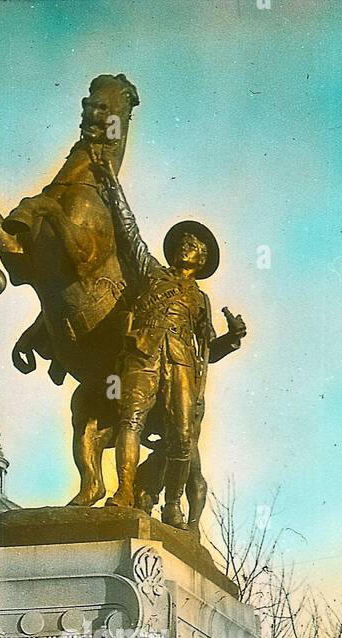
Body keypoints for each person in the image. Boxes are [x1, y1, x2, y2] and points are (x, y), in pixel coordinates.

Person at [91, 148, 246, 525]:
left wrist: (232, 339)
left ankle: (173, 503)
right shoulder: (151, 272)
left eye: (195, 244)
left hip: (181, 367)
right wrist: (112, 184)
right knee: (131, 420)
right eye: (183, 241)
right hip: (143, 355)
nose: (186, 245)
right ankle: (124, 489)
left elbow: (206, 349)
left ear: (203, 259)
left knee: (182, 439)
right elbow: (129, 233)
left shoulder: (200, 299)